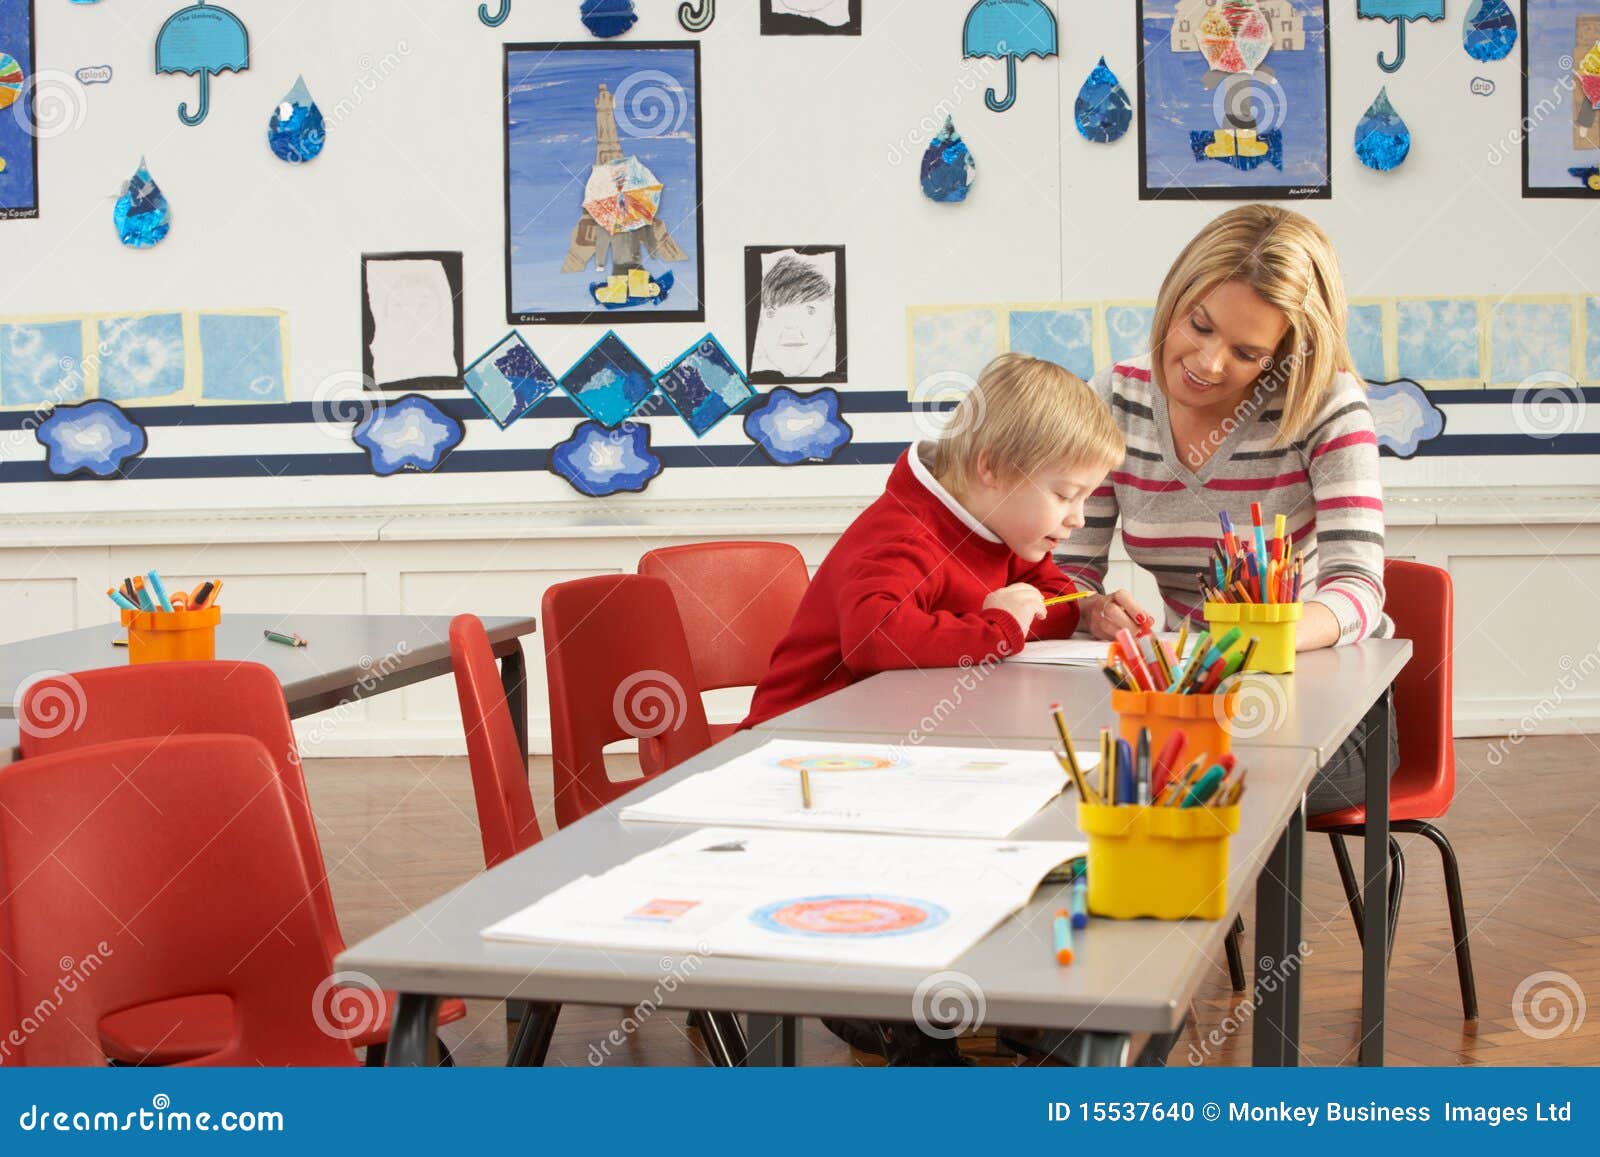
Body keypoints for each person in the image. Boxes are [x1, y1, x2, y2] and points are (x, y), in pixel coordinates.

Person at [1057, 204, 1395, 815]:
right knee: (1104, 772)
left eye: (1247, 351)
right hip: (1189, 697)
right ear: (1176, 295)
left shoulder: (1326, 404)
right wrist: (1089, 609)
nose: (1209, 364)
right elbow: (1067, 574)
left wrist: (1261, 642)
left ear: (1285, 353)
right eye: (1200, 325)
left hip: (1327, 707)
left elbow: (1359, 585)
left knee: (1184, 781)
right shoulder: (1115, 397)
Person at [742, 352, 1124, 732]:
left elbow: (1047, 601)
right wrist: (996, 627)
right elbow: (874, 641)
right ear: (991, 468)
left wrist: (1087, 611)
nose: (1078, 518)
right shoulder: (905, 536)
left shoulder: (1002, 528)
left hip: (882, 728)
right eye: (1064, 495)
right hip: (795, 733)